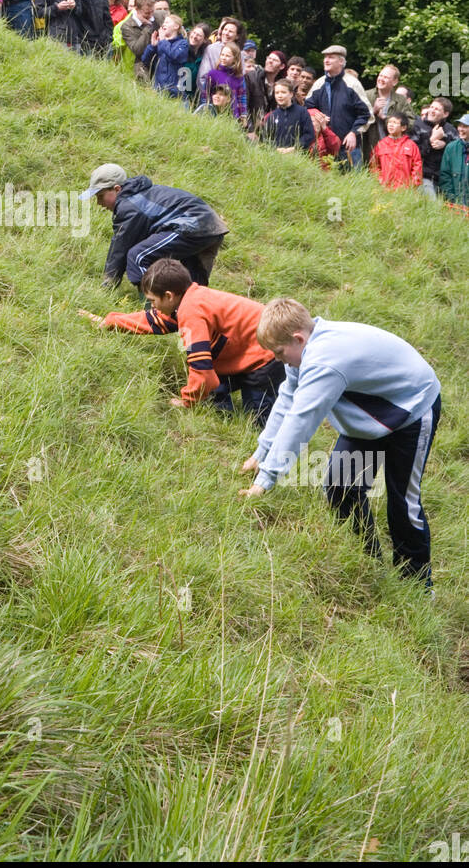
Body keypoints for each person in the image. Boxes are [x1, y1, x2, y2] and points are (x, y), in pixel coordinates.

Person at [239, 298, 441, 588]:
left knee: (402, 501)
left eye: (279, 352)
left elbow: (301, 419)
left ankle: (417, 588)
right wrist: (262, 451)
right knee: (340, 487)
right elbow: (288, 397)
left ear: (297, 338)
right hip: (371, 415)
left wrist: (267, 479)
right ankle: (370, 566)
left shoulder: (324, 361)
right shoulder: (303, 350)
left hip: (412, 409)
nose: (277, 359)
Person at [79, 258, 284, 427]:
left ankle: (267, 454)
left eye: (153, 301)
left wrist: (187, 401)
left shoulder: (191, 312)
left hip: (267, 358)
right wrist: (109, 322)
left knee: (257, 421)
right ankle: (222, 418)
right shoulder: (190, 297)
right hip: (248, 348)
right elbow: (152, 321)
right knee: (214, 395)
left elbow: (202, 370)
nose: (152, 306)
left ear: (168, 296)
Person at [80, 164, 229, 289]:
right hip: (212, 227)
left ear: (117, 189)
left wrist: (109, 283)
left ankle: (152, 308)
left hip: (192, 226)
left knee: (137, 256)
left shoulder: (128, 206)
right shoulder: (143, 194)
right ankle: (183, 316)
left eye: (100, 196)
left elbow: (121, 246)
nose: (99, 203)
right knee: (193, 285)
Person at [304, 46, 373, 169]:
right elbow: (306, 109)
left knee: (353, 186)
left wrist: (353, 132)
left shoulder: (352, 84)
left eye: (331, 57)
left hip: (349, 148)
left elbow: (367, 114)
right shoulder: (319, 83)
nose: (326, 60)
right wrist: (317, 115)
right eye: (325, 57)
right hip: (325, 148)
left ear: (341, 61)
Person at [363, 64, 415, 164]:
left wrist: (385, 118)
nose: (381, 79)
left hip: (394, 151)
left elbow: (410, 123)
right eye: (380, 75)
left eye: (386, 77)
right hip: (369, 148)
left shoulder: (401, 101)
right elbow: (355, 119)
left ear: (394, 82)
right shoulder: (366, 95)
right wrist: (373, 111)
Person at [412, 97, 458, 196]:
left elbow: (457, 154)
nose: (432, 110)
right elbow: (412, 154)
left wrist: (446, 145)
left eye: (436, 109)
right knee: (433, 205)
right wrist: (431, 140)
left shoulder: (451, 130)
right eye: (432, 107)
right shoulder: (417, 126)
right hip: (422, 176)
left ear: (445, 114)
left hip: (444, 178)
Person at [261, 78, 316, 152]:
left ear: (291, 94)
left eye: (283, 92)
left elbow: (309, 135)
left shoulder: (302, 112)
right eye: (277, 93)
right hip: (276, 155)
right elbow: (265, 138)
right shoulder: (272, 116)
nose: (279, 96)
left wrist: (295, 148)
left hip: (297, 155)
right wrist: (275, 149)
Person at [140, 15, 189, 97]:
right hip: (158, 90)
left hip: (175, 92)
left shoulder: (183, 44)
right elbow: (145, 60)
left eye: (167, 22)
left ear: (176, 26)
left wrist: (163, 41)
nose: (163, 25)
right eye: (163, 23)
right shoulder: (161, 43)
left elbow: (174, 55)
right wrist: (153, 46)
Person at [371, 113, 422, 189]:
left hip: (405, 190)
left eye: (395, 123)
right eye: (389, 122)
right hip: (384, 190)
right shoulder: (380, 145)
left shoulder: (411, 145)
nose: (391, 125)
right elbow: (374, 166)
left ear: (403, 128)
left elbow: (417, 166)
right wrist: (380, 181)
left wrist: (412, 185)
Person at [114, 0, 156, 79]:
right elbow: (137, 49)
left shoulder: (159, 16)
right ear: (136, 9)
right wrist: (148, 28)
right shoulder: (126, 26)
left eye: (152, 12)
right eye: (147, 13)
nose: (151, 16)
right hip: (139, 68)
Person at [205, 41, 247, 121]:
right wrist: (205, 109)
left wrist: (244, 115)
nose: (223, 57)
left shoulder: (239, 78)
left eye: (227, 56)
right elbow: (205, 94)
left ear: (235, 59)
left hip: (233, 116)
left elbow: (242, 97)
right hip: (214, 115)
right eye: (222, 55)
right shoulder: (212, 74)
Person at [439, 112, 469, 208]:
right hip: (456, 204)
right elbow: (445, 176)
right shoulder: (451, 148)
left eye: (465, 126)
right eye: (460, 125)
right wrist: (451, 199)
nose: (460, 129)